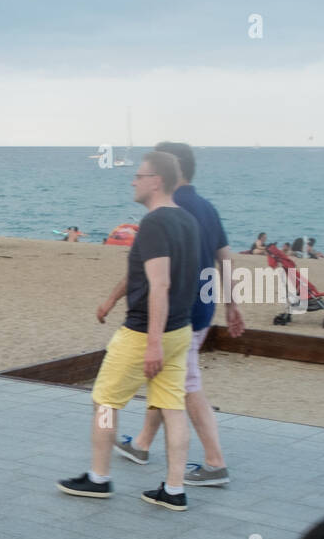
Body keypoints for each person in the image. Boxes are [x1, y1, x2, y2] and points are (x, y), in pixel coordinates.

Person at [58, 151, 198, 510]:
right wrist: (109, 300)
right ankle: (174, 489)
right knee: (172, 408)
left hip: (144, 334)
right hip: (181, 330)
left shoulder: (153, 224)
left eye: (139, 175)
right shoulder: (187, 221)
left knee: (105, 400)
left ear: (156, 182)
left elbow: (160, 284)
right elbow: (142, 272)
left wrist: (152, 343)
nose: (133, 181)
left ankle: (99, 478)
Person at [117, 141, 244, 490]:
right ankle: (142, 443)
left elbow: (154, 269)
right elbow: (226, 257)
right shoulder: (206, 206)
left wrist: (116, 297)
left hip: (178, 313)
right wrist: (232, 303)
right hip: (202, 309)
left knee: (186, 385)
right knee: (169, 377)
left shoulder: (169, 209)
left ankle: (215, 462)